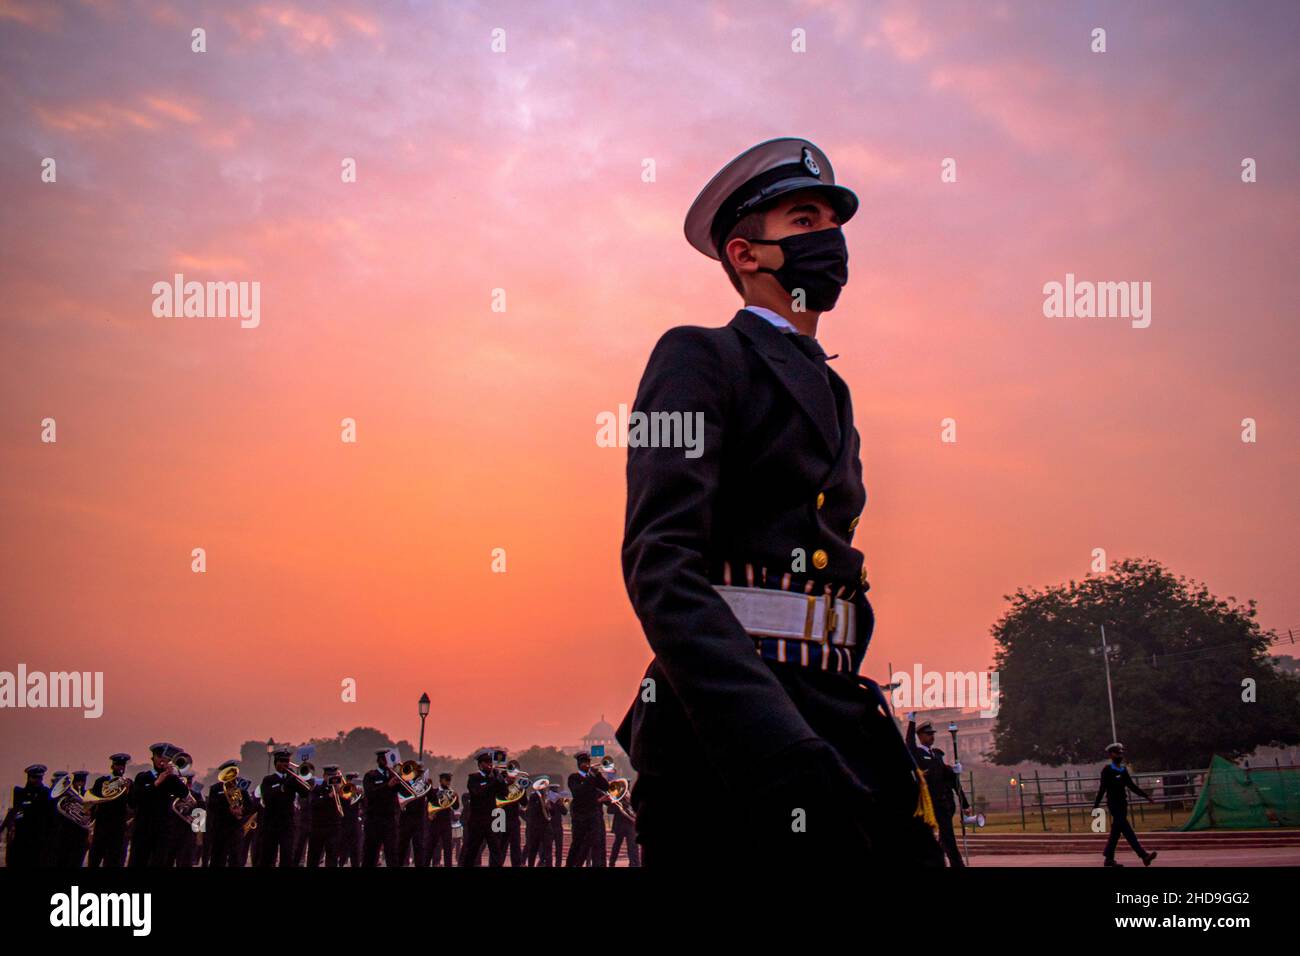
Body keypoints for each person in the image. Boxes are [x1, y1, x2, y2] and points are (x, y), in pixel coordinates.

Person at [617, 136, 941, 867]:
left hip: (834, 707)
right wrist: (770, 734)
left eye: (833, 222)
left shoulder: (831, 386)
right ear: (745, 253)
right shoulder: (696, 356)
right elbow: (659, 564)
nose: (829, 240)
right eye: (803, 221)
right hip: (731, 728)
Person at [906, 716, 969, 867]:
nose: (931, 736)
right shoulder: (918, 754)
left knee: (948, 837)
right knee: (926, 838)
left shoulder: (937, 755)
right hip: (927, 805)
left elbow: (953, 782)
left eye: (932, 734)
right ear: (920, 736)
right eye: (928, 734)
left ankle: (957, 864)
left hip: (942, 804)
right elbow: (909, 744)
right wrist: (911, 721)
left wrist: (964, 803)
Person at [1093, 743, 1158, 867]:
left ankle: (1108, 859)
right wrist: (1096, 806)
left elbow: (1131, 786)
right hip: (1113, 804)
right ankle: (1144, 855)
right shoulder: (1107, 770)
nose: (1120, 755)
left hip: (1123, 804)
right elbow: (1102, 789)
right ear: (1112, 754)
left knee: (1116, 832)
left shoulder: (1123, 770)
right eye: (1118, 753)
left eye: (1121, 753)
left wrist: (1146, 796)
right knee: (1127, 831)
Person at [129, 743, 190, 867]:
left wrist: (174, 775)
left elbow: (183, 793)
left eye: (165, 757)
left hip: (163, 830)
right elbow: (135, 800)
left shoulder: (171, 779)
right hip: (143, 828)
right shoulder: (143, 777)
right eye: (158, 756)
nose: (162, 760)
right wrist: (156, 783)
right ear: (152, 758)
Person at [257, 749, 310, 866]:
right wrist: (283, 787)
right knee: (267, 857)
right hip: (271, 824)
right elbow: (267, 797)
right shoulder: (268, 780)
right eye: (282, 761)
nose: (286, 764)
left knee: (287, 856)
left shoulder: (291, 779)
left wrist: (298, 780)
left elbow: (305, 793)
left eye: (287, 761)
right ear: (276, 763)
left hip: (287, 823)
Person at [460, 751, 507, 867]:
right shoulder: (473, 778)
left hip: (492, 820)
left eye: (491, 762)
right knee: (472, 850)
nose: (490, 765)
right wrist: (494, 781)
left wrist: (502, 782)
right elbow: (478, 793)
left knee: (496, 849)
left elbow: (503, 794)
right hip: (477, 820)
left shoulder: (493, 778)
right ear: (480, 764)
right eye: (487, 763)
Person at [87, 753, 132, 867]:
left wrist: (128, 792)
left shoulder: (128, 783)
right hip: (102, 824)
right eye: (118, 765)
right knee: (94, 858)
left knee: (113, 859)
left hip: (118, 826)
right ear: (112, 766)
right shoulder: (102, 781)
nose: (121, 768)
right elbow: (94, 798)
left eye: (122, 765)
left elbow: (132, 803)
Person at [565, 752, 610, 867]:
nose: (587, 764)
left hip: (593, 817)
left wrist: (598, 775)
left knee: (596, 844)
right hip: (580, 818)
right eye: (584, 762)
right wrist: (591, 777)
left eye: (588, 762)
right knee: (578, 845)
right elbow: (578, 793)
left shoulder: (593, 777)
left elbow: (606, 787)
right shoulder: (573, 777)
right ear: (579, 764)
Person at [3, 764, 51, 868]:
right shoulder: (21, 793)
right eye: (34, 778)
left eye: (40, 778)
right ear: (29, 778)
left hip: (39, 837)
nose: (37, 781)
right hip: (23, 837)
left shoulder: (46, 793)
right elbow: (15, 812)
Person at [362, 749, 402, 866]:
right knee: (370, 853)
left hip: (390, 820)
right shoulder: (370, 776)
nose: (388, 763)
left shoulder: (394, 776)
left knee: (392, 853)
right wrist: (387, 786)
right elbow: (371, 794)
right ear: (379, 760)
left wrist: (401, 779)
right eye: (385, 760)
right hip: (374, 820)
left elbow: (403, 792)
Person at [306, 765, 345, 867]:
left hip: (334, 827)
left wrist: (341, 792)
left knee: (332, 858)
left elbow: (349, 804)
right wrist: (329, 796)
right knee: (313, 857)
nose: (332, 778)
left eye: (334, 776)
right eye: (329, 776)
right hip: (318, 828)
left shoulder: (340, 790)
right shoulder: (317, 789)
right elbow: (314, 803)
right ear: (324, 776)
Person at [427, 772, 457, 867]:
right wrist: (429, 814)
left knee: (448, 846)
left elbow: (456, 807)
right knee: (431, 845)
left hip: (446, 823)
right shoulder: (434, 791)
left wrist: (457, 797)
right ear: (441, 781)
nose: (448, 782)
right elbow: (428, 804)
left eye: (449, 780)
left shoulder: (451, 793)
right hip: (435, 822)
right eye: (446, 780)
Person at [606, 785, 640, 867]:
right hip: (620, 826)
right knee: (616, 846)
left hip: (630, 826)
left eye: (626, 791)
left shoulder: (631, 799)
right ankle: (612, 863)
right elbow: (609, 811)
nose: (625, 793)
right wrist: (618, 805)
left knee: (632, 846)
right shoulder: (617, 800)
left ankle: (634, 864)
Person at [523, 780, 552, 866]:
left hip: (545, 828)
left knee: (547, 850)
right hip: (535, 828)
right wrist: (542, 805)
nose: (545, 790)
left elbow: (550, 813)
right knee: (533, 850)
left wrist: (549, 807)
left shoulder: (546, 797)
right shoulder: (534, 796)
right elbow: (532, 812)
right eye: (543, 788)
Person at [547, 784, 567, 866]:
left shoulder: (559, 800)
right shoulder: (546, 800)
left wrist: (561, 804)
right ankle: (548, 864)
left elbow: (565, 812)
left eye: (557, 789)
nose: (556, 791)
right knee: (548, 848)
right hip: (549, 826)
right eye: (555, 789)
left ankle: (558, 864)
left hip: (558, 827)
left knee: (559, 848)